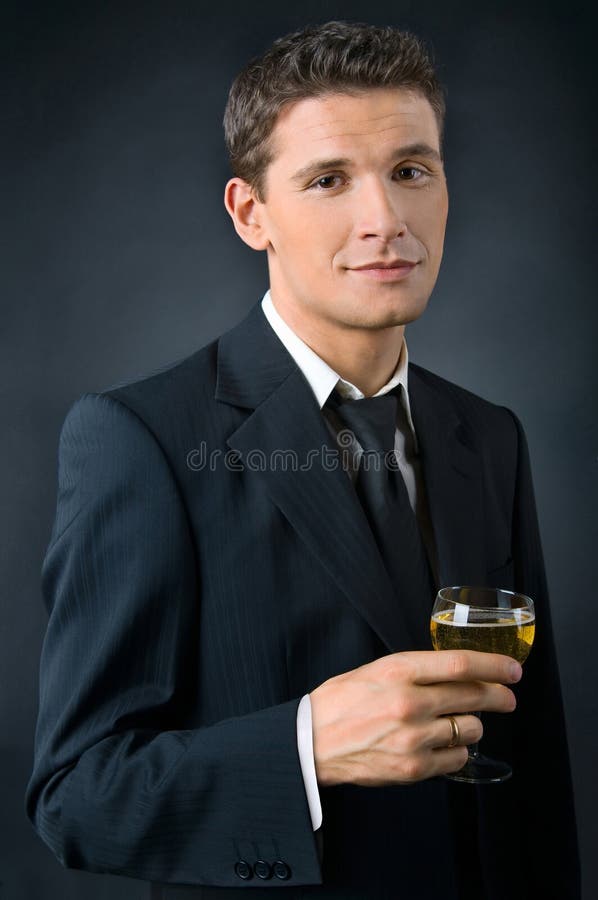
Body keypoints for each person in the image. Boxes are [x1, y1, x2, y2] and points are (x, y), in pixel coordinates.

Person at [27, 21, 580, 900]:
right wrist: (307, 747)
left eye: (411, 170)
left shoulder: (491, 434)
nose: (386, 221)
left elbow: (535, 764)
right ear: (252, 214)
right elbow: (78, 799)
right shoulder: (140, 437)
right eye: (329, 180)